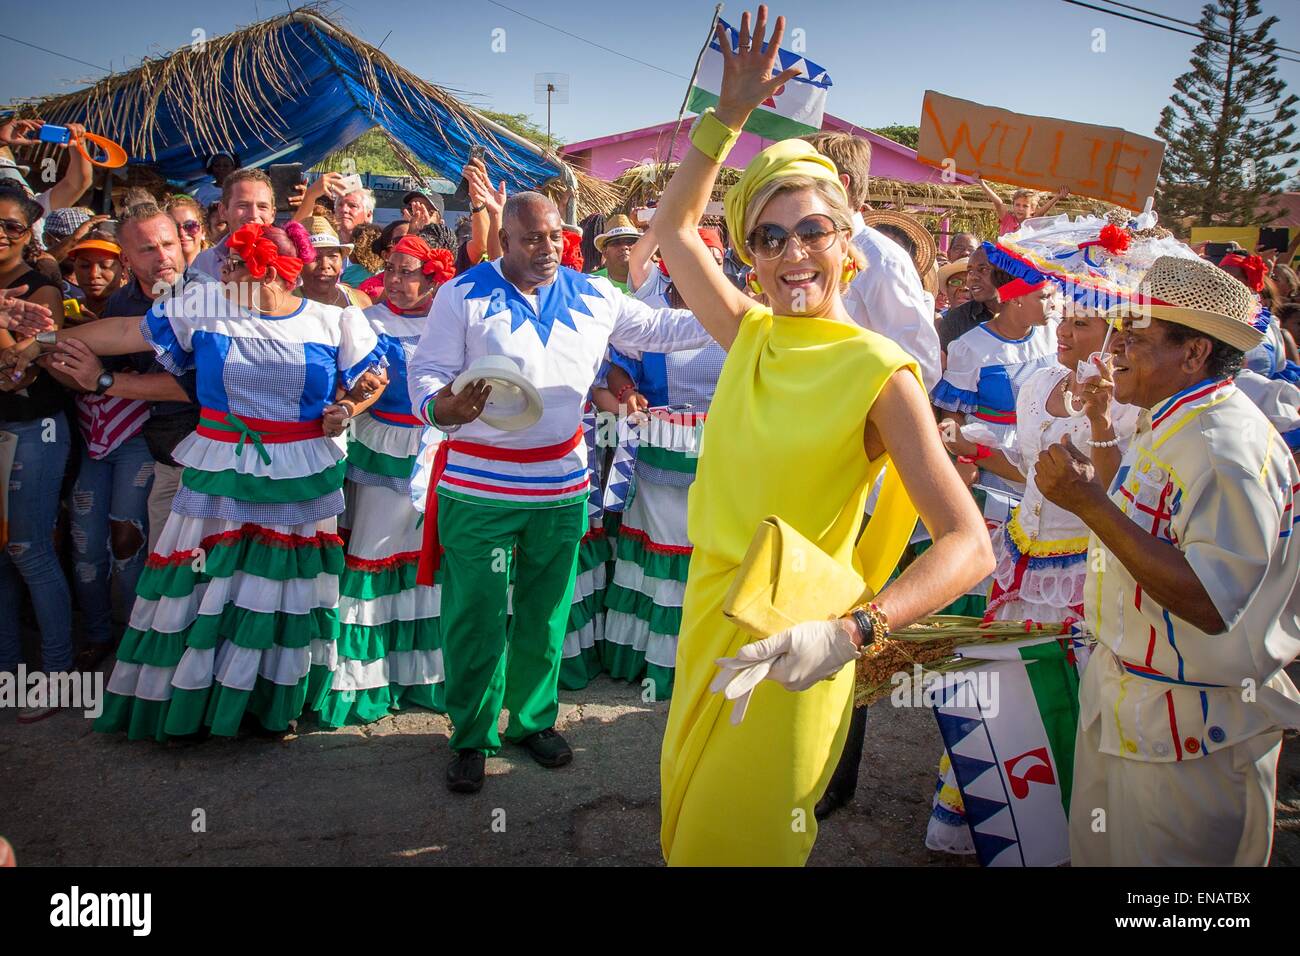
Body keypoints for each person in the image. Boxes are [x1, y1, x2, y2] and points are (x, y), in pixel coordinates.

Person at [655, 6, 992, 866]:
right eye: (768, 237)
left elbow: (969, 545)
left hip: (802, 645)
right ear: (750, 255)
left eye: (812, 230)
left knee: (748, 842)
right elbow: (672, 229)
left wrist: (852, 635)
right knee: (692, 838)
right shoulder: (748, 333)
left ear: (848, 246)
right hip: (708, 625)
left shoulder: (880, 372)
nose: (791, 251)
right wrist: (724, 116)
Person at [407, 190, 718, 795]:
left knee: (548, 611)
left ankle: (531, 721)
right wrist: (440, 405)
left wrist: (735, 303)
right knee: (474, 615)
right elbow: (427, 370)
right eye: (531, 239)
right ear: (504, 242)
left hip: (560, 484)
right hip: (477, 484)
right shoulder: (461, 293)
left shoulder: (596, 294)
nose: (546, 249)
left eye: (554, 237)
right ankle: (470, 735)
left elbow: (664, 328)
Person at [36, 220, 386, 741]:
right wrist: (40, 341)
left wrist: (348, 408)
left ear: (269, 270)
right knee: (211, 585)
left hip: (300, 471)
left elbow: (370, 380)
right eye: (225, 260)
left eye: (235, 262)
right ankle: (198, 706)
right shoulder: (203, 308)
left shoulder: (333, 321)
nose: (221, 269)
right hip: (222, 464)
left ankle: (270, 702)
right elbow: (121, 332)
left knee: (279, 589)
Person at [1036, 256, 1300, 865]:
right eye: (1119, 333)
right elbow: (1138, 514)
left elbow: (1210, 603)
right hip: (1140, 713)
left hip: (1191, 737)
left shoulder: (1224, 448)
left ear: (1194, 353)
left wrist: (1087, 505)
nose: (1116, 348)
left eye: (1136, 337)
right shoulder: (1180, 421)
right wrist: (1101, 426)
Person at [315, 235, 455, 727]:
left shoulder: (450, 323)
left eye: (408, 272)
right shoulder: (365, 320)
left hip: (441, 449)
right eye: (390, 270)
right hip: (385, 446)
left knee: (430, 560)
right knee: (374, 553)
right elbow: (359, 383)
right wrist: (347, 407)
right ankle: (364, 681)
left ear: (432, 278)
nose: (395, 281)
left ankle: (426, 676)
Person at [597, 223, 730, 700]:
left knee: (711, 550)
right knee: (667, 546)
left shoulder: (740, 318)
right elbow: (616, 366)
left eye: (712, 263)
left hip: (725, 452)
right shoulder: (649, 316)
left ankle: (710, 662)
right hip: (661, 450)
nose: (705, 273)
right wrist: (627, 392)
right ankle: (660, 660)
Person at [49, 205, 202, 572]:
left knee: (198, 573)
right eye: (148, 249)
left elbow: (192, 388)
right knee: (162, 570)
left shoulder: (205, 296)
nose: (163, 255)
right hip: (162, 454)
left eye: (169, 243)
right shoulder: (121, 302)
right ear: (126, 258)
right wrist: (37, 349)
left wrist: (103, 381)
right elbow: (101, 363)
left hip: (207, 459)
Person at [0, 184, 73, 722]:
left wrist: (17, 341)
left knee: (29, 551)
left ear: (30, 235)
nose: (0, 234)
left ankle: (56, 676)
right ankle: (9, 677)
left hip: (31, 430)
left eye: (13, 226)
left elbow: (18, 371)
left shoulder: (40, 286)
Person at [189, 168, 276, 281]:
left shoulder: (291, 256)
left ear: (273, 214)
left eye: (262, 206)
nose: (253, 215)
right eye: (243, 205)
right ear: (223, 211)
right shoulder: (204, 264)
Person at [936, 243, 1010, 352]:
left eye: (983, 269)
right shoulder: (955, 320)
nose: (973, 277)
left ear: (1003, 274)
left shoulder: (1023, 311)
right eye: (970, 271)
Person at [300, 216, 371, 308]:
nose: (325, 265)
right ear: (299, 262)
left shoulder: (361, 301)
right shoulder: (285, 305)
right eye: (315, 257)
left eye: (332, 256)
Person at [977, 178, 1067, 235]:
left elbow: (1041, 212)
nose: (1020, 208)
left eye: (1025, 206)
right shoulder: (1007, 219)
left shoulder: (1031, 222)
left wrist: (1057, 197)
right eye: (1017, 205)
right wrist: (982, 183)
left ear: (1032, 209)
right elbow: (998, 203)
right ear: (1013, 205)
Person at [67, 237, 124, 318]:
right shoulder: (65, 311)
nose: (93, 274)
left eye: (105, 266)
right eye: (85, 265)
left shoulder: (138, 312)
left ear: (123, 267)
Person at [591, 215, 641, 292]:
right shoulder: (591, 283)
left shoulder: (656, 280)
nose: (624, 247)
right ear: (604, 252)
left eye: (630, 241)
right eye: (616, 243)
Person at [163, 195, 208, 267]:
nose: (182, 233)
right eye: (174, 227)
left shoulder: (218, 267)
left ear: (203, 231)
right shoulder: (162, 271)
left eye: (190, 225)